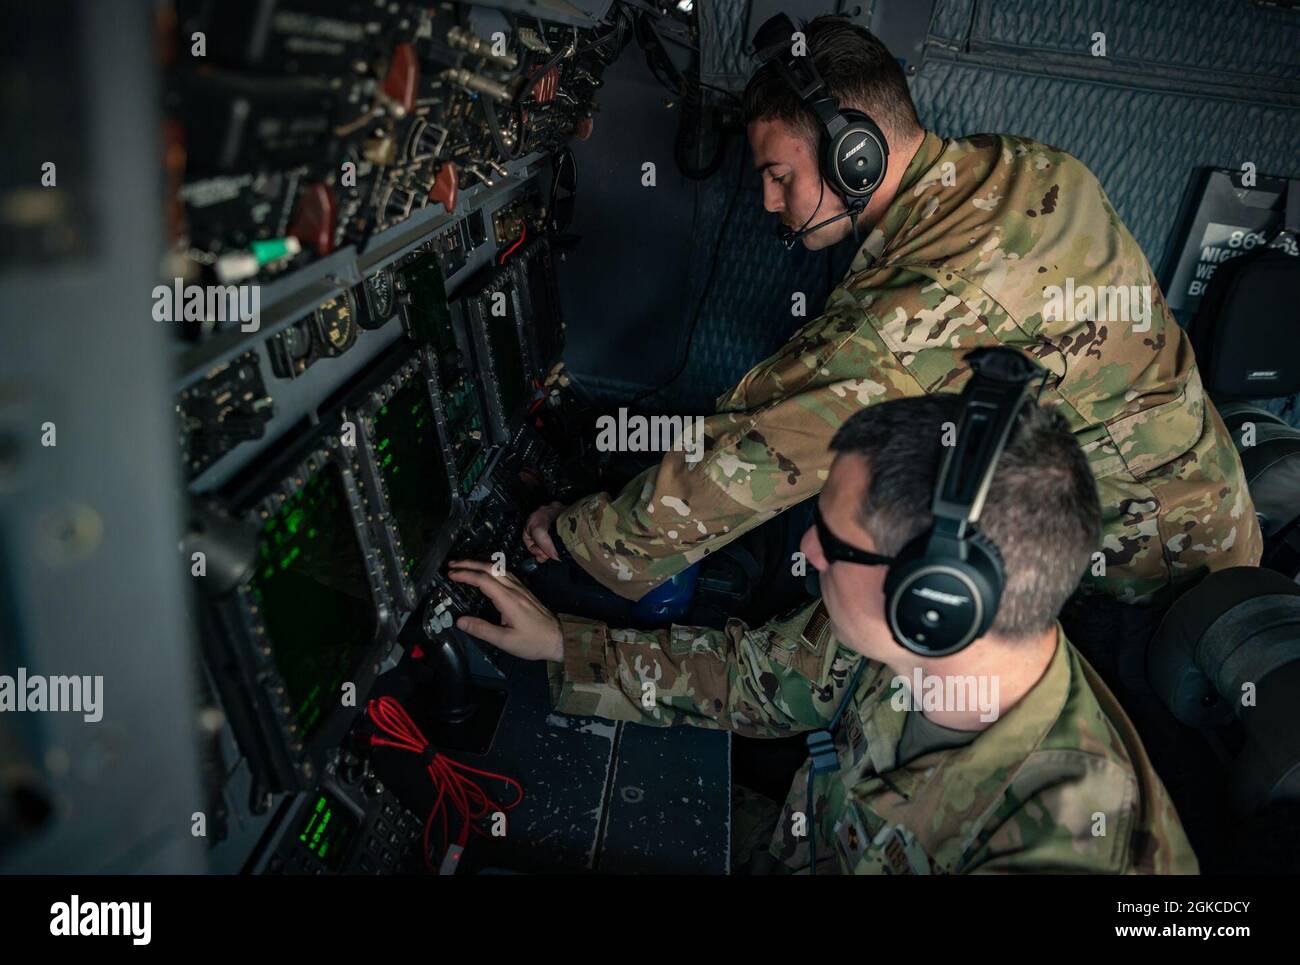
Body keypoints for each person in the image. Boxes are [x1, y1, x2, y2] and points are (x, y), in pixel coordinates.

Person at [522, 14, 1259, 614]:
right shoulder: (1023, 164)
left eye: (779, 176)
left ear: (855, 158)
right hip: (1213, 512)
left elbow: (750, 457)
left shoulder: (928, 304)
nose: (770, 203)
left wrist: (582, 538)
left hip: (1157, 578)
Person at [452, 393, 1198, 874]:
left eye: (833, 541)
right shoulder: (922, 639)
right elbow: (761, 678)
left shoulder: (1069, 845)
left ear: (934, 596)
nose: (806, 550)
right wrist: (561, 643)